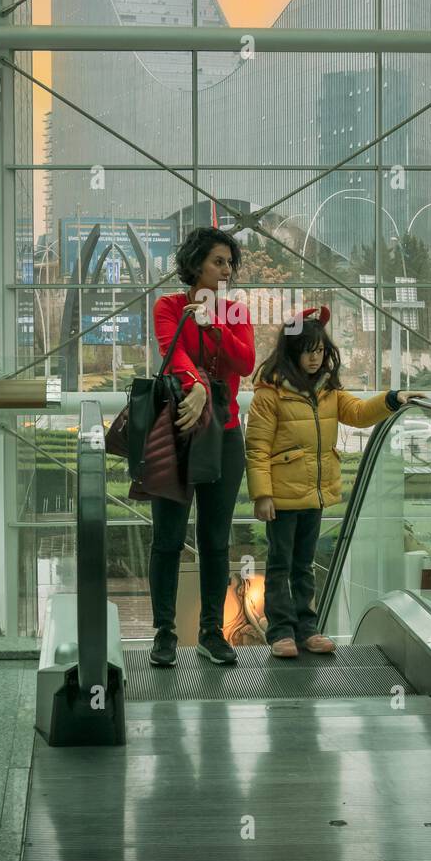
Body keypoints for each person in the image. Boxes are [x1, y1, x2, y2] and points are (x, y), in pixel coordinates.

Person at [246, 307, 417, 658]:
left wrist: (391, 398)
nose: (315, 357)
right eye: (308, 350)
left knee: (303, 566)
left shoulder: (327, 391)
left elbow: (357, 413)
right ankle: (280, 631)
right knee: (280, 566)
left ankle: (306, 628)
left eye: (320, 350)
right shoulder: (270, 394)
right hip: (281, 497)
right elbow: (257, 447)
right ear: (292, 351)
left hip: (315, 494)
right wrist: (262, 494)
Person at [148, 226, 255, 668]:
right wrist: (195, 386)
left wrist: (213, 328)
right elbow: (171, 356)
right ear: (195, 265)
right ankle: (164, 634)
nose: (226, 270)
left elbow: (244, 363)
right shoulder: (169, 306)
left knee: (214, 539)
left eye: (231, 263)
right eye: (218, 262)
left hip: (224, 435)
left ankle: (213, 631)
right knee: (168, 538)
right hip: (177, 432)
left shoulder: (234, 312)